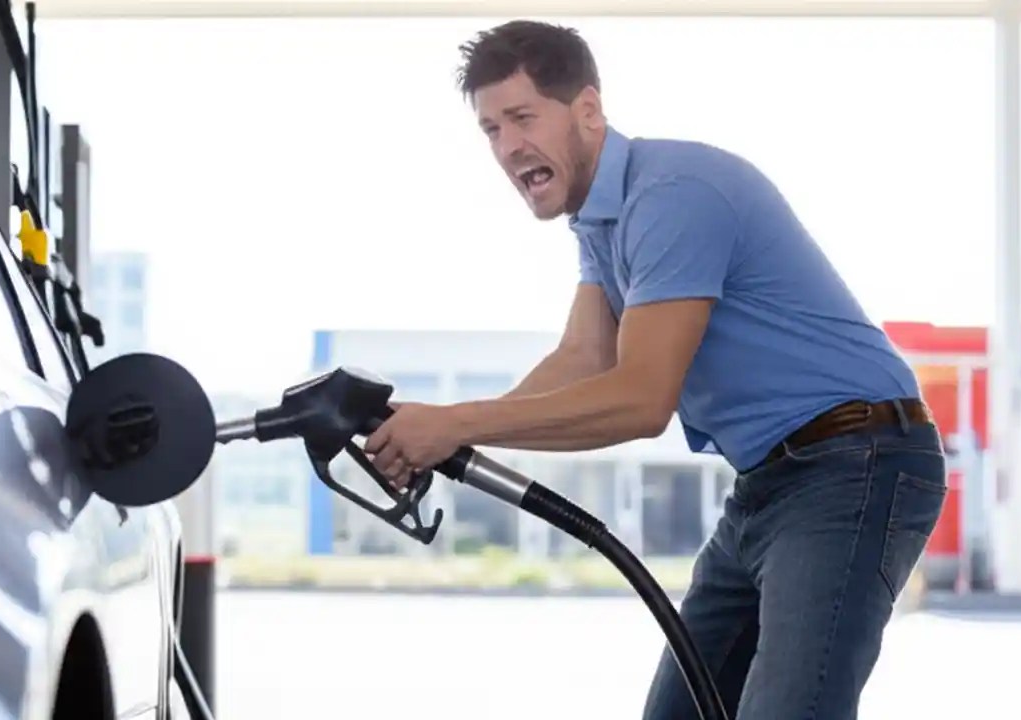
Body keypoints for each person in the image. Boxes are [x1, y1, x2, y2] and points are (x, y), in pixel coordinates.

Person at [363, 19, 947, 720]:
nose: (509, 146)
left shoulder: (672, 195)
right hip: (770, 482)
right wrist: (450, 438)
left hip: (858, 463)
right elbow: (583, 360)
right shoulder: (601, 221)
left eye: (522, 117)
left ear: (587, 109)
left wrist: (453, 422)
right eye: (491, 129)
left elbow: (640, 399)